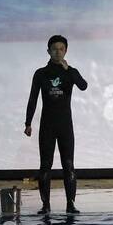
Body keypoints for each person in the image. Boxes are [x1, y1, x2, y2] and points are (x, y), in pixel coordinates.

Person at [24, 34, 88, 214]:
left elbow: (83, 86)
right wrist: (28, 122)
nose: (58, 52)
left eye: (61, 49)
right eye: (54, 49)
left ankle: (71, 204)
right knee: (45, 165)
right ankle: (45, 205)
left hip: (65, 125)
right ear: (48, 51)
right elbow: (32, 99)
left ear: (66, 51)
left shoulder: (70, 72)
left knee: (68, 165)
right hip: (47, 126)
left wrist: (70, 71)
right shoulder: (41, 73)